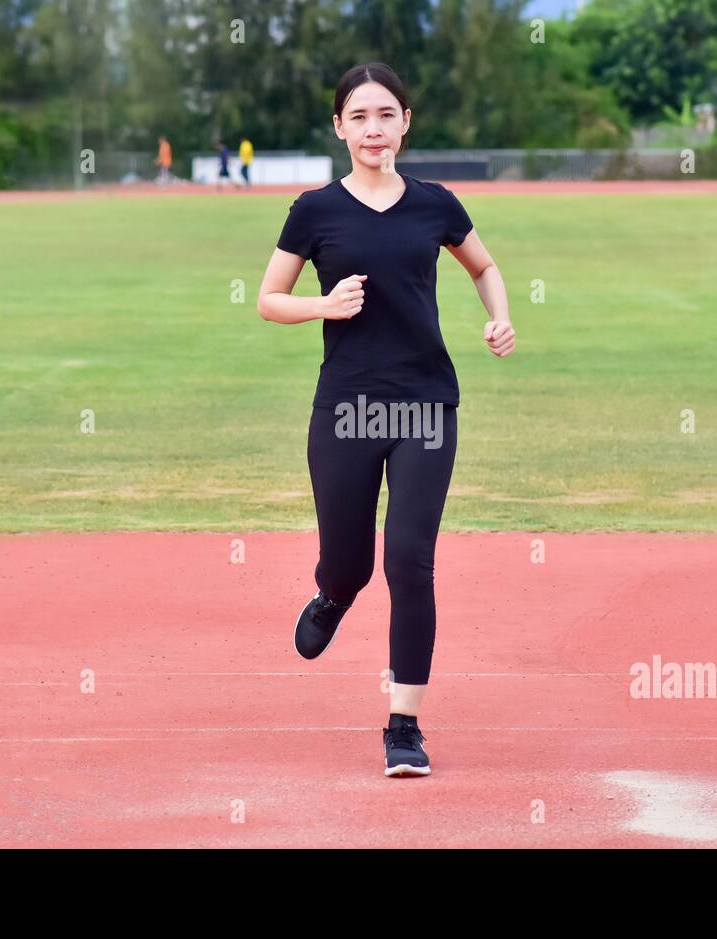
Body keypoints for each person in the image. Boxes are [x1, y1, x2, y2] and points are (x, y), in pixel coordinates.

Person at [256, 62, 515, 777]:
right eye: (360, 117)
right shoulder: (314, 211)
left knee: (410, 559)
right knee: (355, 564)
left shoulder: (435, 204)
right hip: (345, 406)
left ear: (406, 123)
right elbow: (267, 298)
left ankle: (404, 725)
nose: (375, 128)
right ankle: (333, 593)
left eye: (387, 115)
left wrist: (500, 318)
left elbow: (484, 266)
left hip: (426, 403)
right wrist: (323, 305)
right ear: (340, 127)